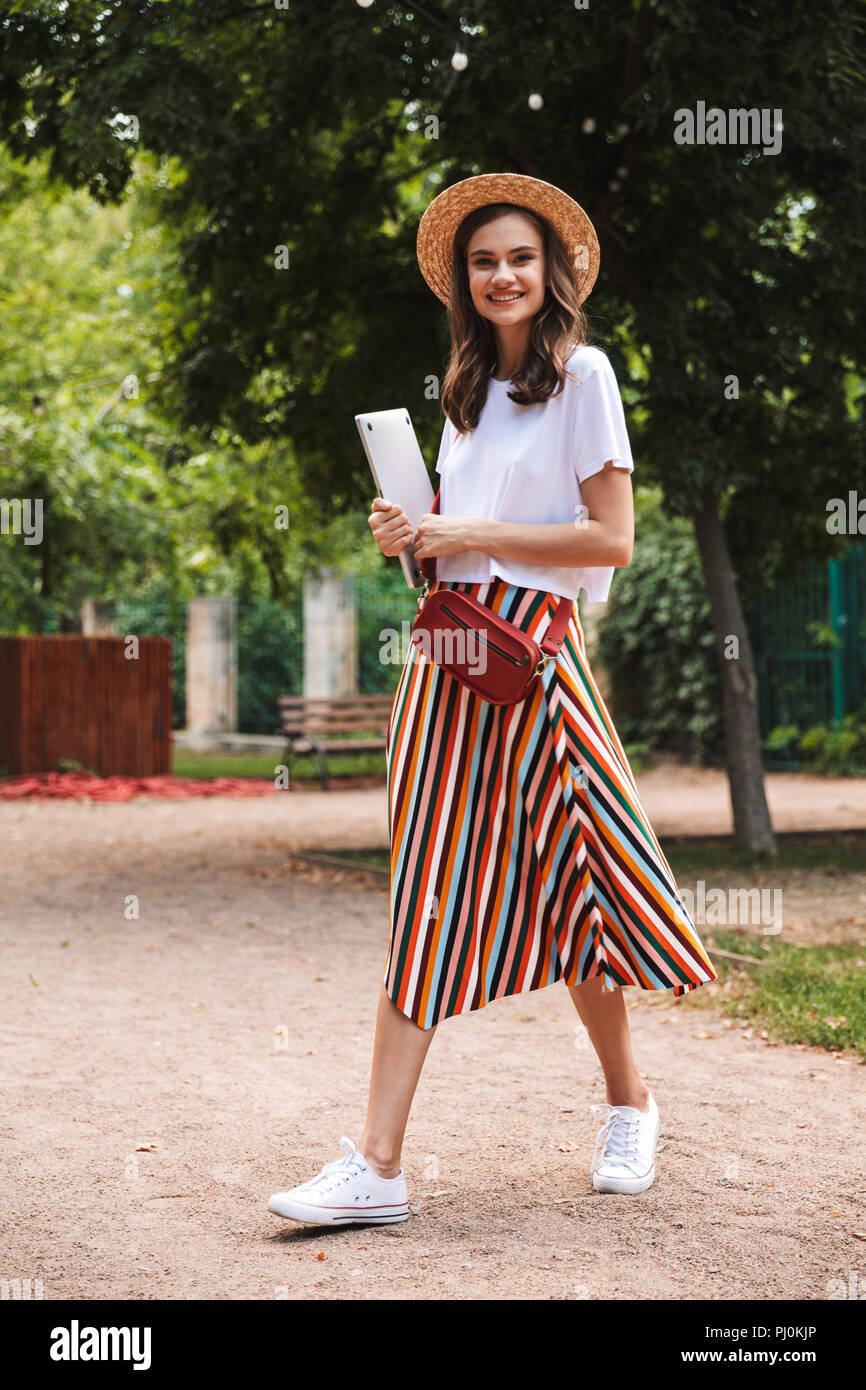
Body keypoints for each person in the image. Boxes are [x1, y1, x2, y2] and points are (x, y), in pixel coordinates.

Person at [268, 173, 718, 1228]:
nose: (502, 275)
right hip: (446, 666)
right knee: (423, 893)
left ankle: (627, 1102)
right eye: (483, 262)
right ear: (462, 284)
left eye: (519, 257)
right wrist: (413, 538)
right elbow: (453, 547)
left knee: (578, 894)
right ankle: (375, 1164)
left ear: (551, 270)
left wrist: (467, 534)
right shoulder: (462, 391)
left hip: (536, 667)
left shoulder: (585, 376)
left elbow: (610, 539)